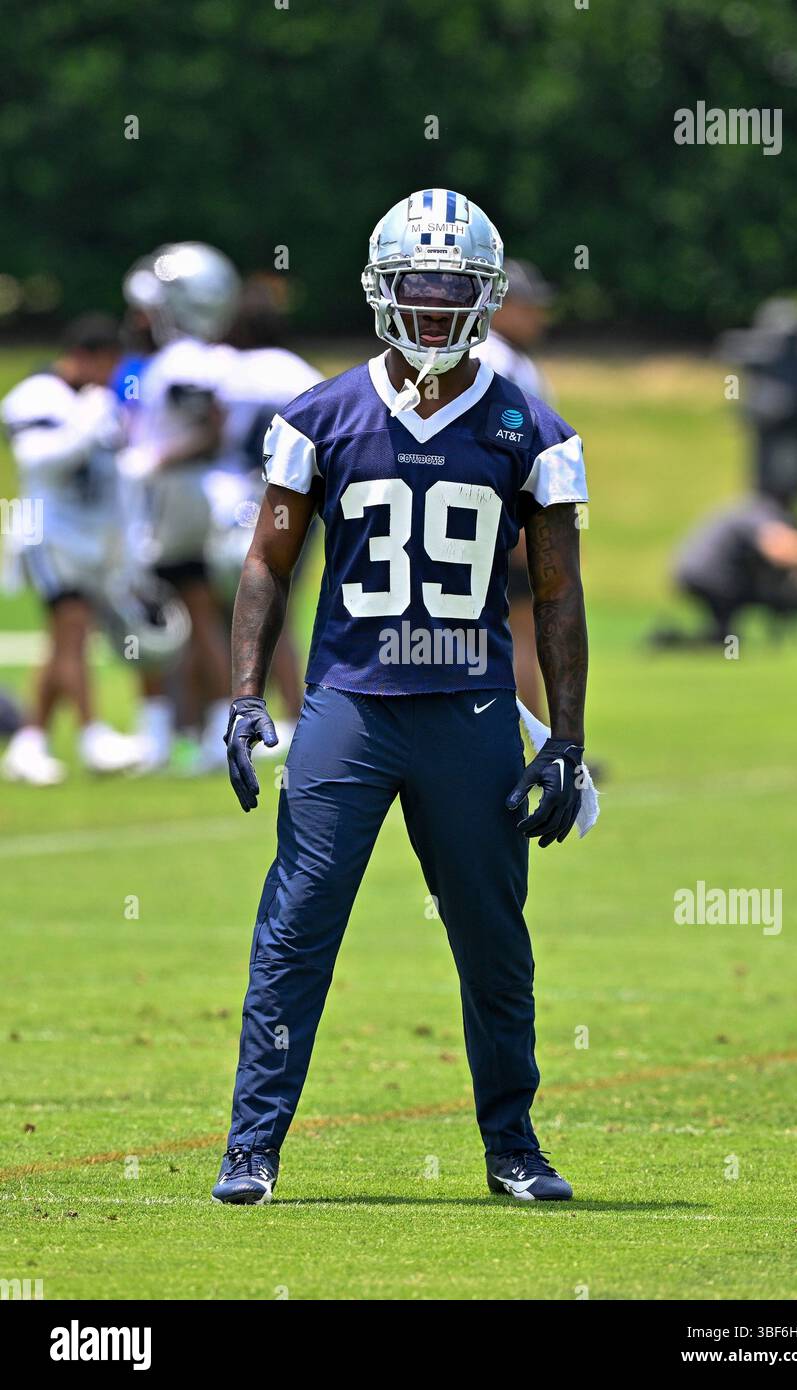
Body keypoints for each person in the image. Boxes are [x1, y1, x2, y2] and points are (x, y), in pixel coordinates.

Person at [211, 188, 589, 1205]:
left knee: (493, 941)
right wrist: (244, 693)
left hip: (467, 709)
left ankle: (512, 1145)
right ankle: (251, 1146)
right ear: (383, 290)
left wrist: (565, 738)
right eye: (416, 288)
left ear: (485, 295)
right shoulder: (321, 413)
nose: (431, 306)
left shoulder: (529, 426)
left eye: (452, 289)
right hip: (349, 704)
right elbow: (263, 565)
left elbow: (556, 592)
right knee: (295, 927)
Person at [1, 315, 142, 784]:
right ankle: (92, 732)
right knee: (73, 627)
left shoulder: (96, 401)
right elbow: (36, 458)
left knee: (63, 638)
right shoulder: (37, 395)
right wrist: (87, 420)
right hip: (46, 531)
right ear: (84, 357)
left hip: (88, 536)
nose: (109, 379)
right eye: (106, 366)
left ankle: (28, 741)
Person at [119, 242, 241, 772]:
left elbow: (208, 431)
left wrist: (155, 457)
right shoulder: (180, 359)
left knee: (154, 608)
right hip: (182, 495)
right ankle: (199, 726)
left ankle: (170, 732)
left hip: (173, 496)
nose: (142, 318)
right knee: (192, 609)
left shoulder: (184, 362)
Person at [206, 283, 323, 740]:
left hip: (233, 502)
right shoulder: (304, 374)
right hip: (293, 500)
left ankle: (222, 716)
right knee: (282, 605)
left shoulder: (225, 373)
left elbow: (210, 432)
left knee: (228, 608)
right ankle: (294, 715)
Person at [474, 259, 554, 709]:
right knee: (519, 628)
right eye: (529, 306)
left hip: (481, 513)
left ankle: (530, 734)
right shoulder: (503, 360)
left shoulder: (489, 356)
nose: (538, 316)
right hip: (504, 514)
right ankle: (537, 737)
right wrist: (524, 522)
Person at [653, 494, 797, 646]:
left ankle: (710, 638)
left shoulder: (746, 508)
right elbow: (779, 549)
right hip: (709, 577)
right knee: (757, 597)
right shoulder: (761, 513)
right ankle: (704, 641)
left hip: (692, 572)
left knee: (724, 631)